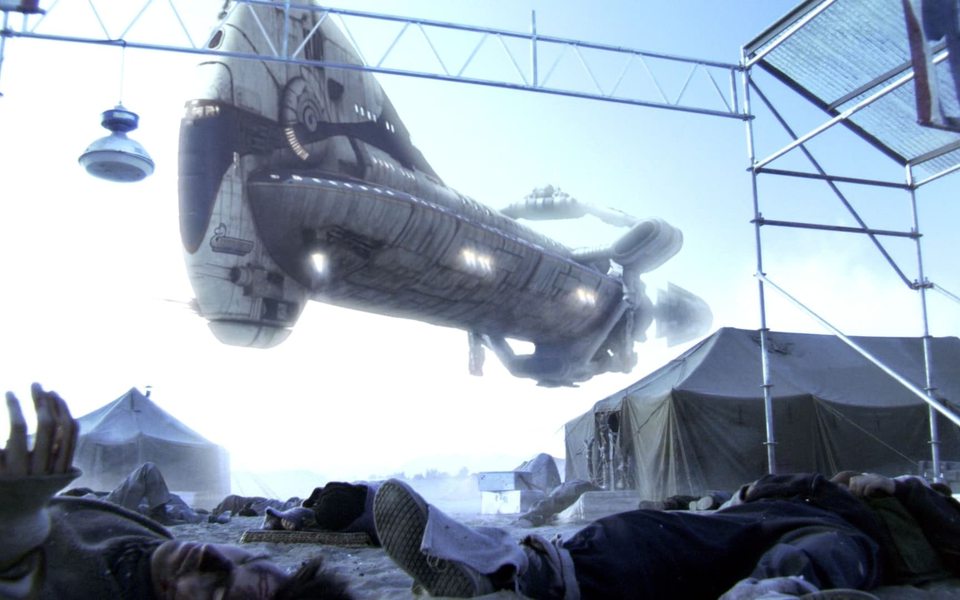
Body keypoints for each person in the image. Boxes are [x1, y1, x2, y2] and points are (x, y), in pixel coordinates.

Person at [372, 466, 960, 599]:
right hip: (744, 519)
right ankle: (505, 567)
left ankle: (770, 597)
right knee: (639, 529)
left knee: (814, 555)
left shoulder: (901, 498)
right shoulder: (803, 481)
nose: (852, 476)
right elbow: (718, 503)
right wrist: (740, 496)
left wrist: (902, 486)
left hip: (842, 532)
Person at [0, 383, 355, 599]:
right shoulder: (153, 540)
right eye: (248, 561)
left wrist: (15, 529)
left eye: (216, 592)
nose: (209, 554)